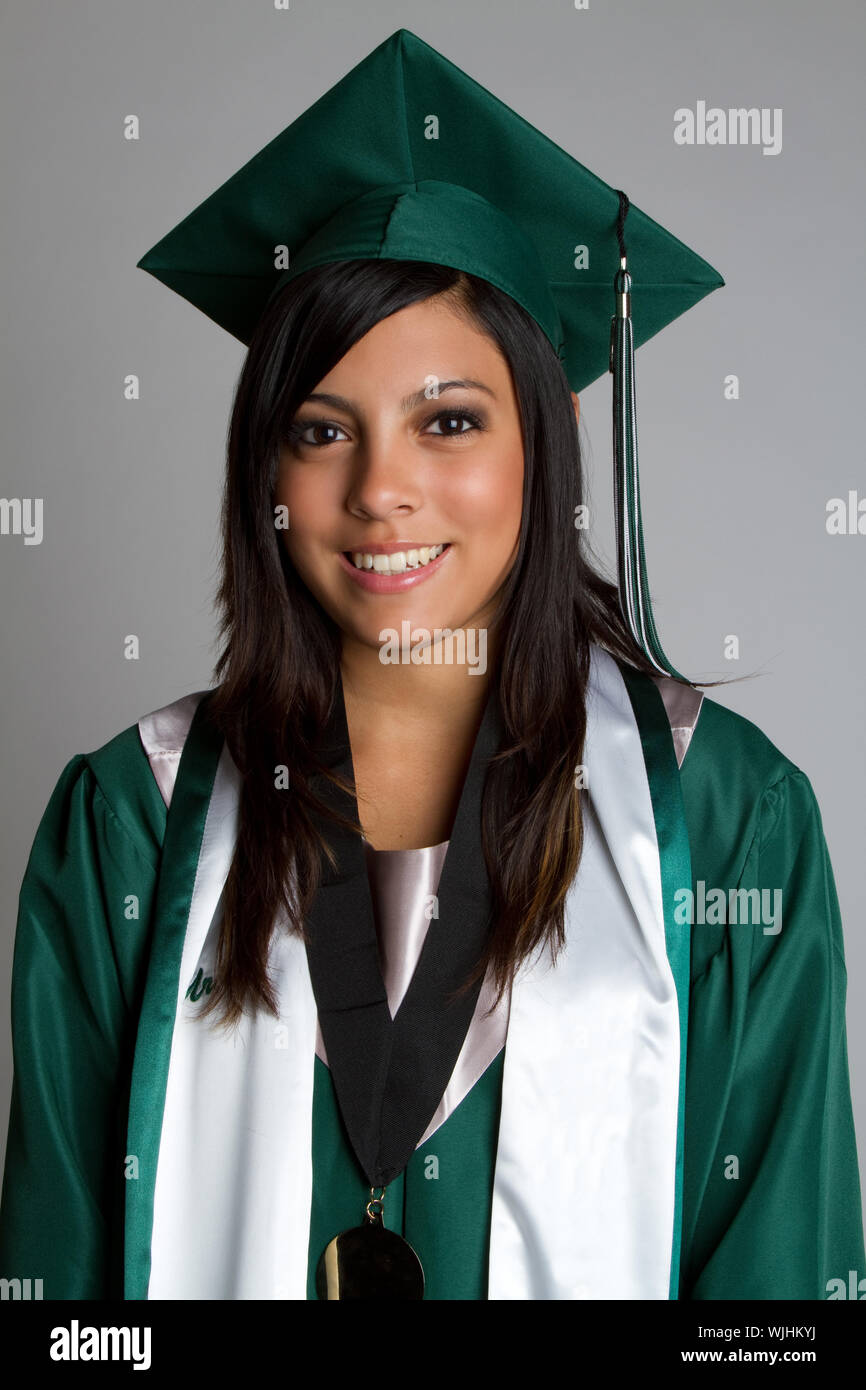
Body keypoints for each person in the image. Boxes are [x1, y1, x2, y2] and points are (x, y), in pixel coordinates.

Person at [0, 28, 863, 1302]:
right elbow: (65, 1315)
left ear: (550, 431)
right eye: (321, 428)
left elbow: (776, 1307)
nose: (380, 490)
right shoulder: (131, 824)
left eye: (447, 420)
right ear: (266, 468)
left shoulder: (725, 826)